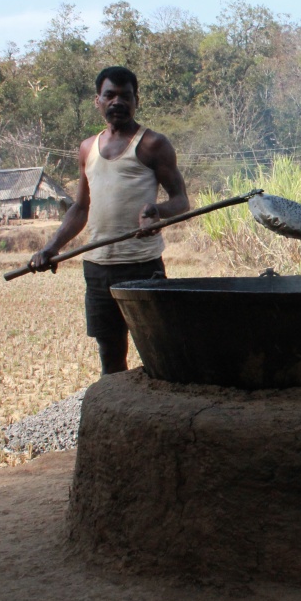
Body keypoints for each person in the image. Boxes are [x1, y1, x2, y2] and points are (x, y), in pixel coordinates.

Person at [29, 66, 189, 374]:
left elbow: (181, 200)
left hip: (142, 265)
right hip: (98, 269)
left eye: (125, 96)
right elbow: (80, 208)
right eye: (110, 95)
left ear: (136, 101)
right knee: (111, 353)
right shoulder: (87, 148)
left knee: (159, 350)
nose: (118, 102)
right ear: (97, 101)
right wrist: (51, 248)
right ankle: (116, 412)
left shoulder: (153, 144)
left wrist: (158, 213)